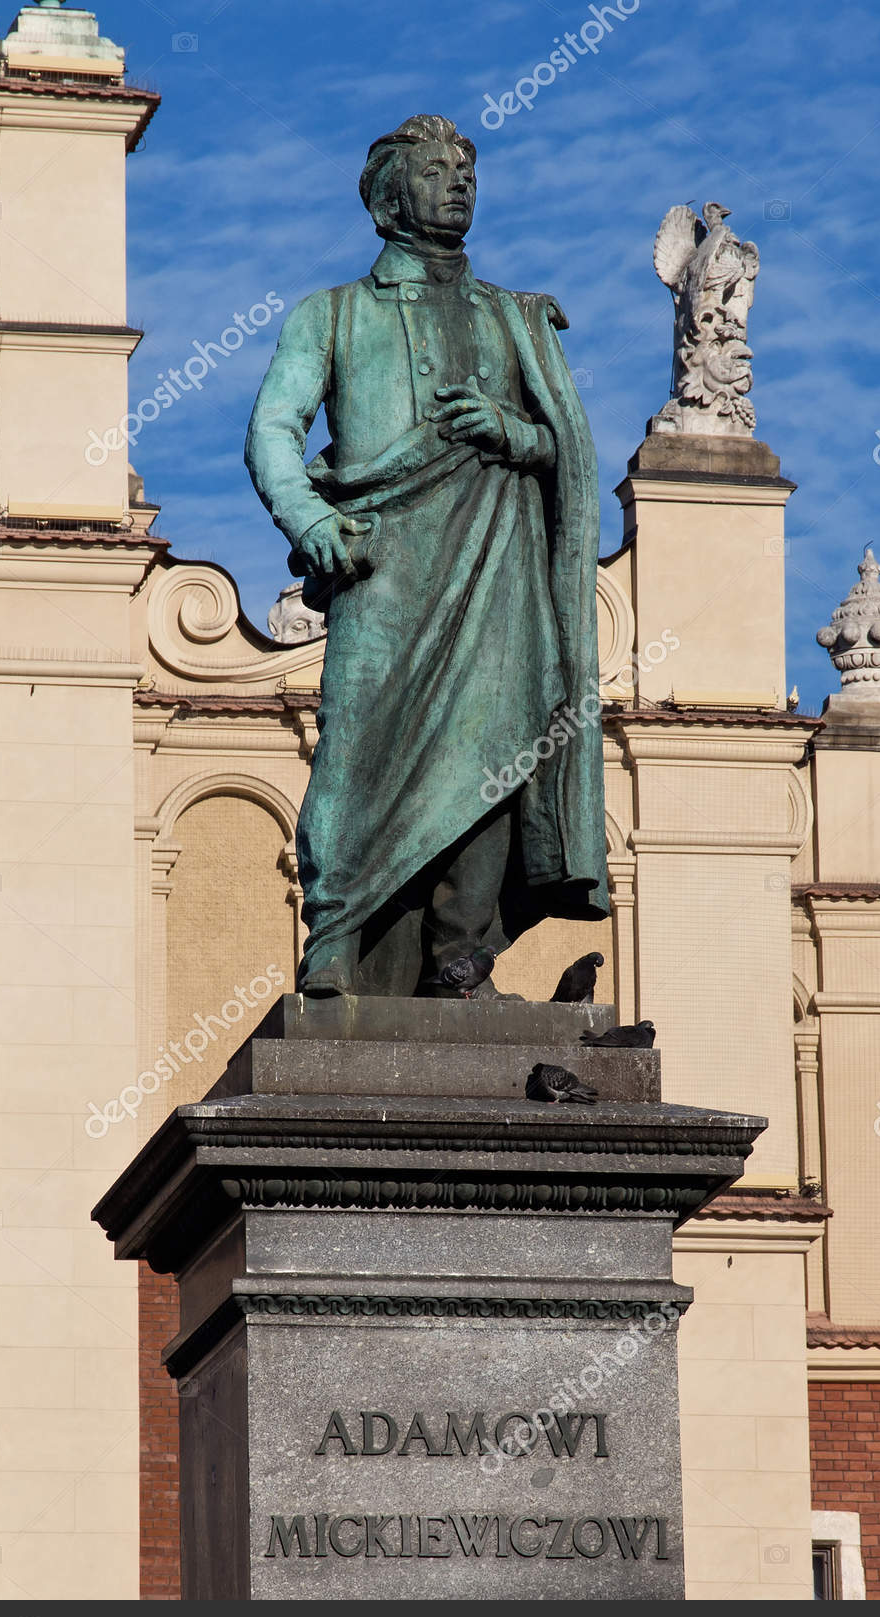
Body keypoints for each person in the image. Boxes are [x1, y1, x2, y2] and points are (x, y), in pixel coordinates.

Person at [245, 114, 608, 996]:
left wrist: (515, 433)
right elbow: (271, 430)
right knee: (356, 749)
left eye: (466, 171)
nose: (458, 183)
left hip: (496, 562)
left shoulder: (513, 318)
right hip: (382, 565)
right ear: (384, 196)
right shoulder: (331, 314)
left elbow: (565, 448)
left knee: (498, 745)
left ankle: (458, 949)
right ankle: (335, 935)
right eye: (437, 169)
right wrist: (310, 522)